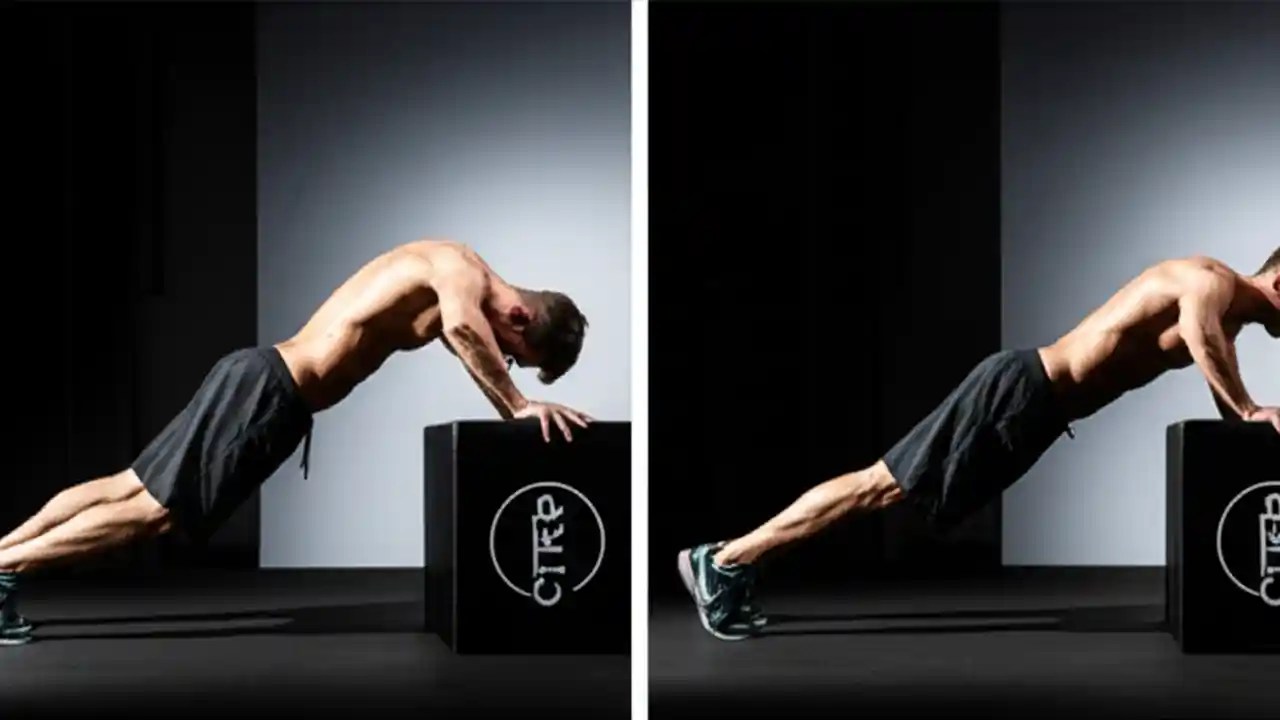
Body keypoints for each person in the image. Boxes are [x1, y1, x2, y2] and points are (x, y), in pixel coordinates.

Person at [0, 239, 592, 645]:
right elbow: (467, 330)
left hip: (258, 376)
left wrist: (509, 403)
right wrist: (517, 406)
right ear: (517, 315)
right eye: (516, 356)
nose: (506, 362)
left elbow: (463, 339)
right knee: (156, 513)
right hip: (272, 393)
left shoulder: (448, 266)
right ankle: (4, 566)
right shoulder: (460, 280)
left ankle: (3, 553)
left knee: (128, 485)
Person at [679, 250, 1280, 641]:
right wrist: (1250, 409)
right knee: (878, 485)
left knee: (885, 491)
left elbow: (1214, 358)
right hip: (1020, 389)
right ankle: (727, 559)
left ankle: (734, 561)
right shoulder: (1208, 281)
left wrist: (1246, 427)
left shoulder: (1227, 319)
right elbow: (1202, 339)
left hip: (1036, 410)